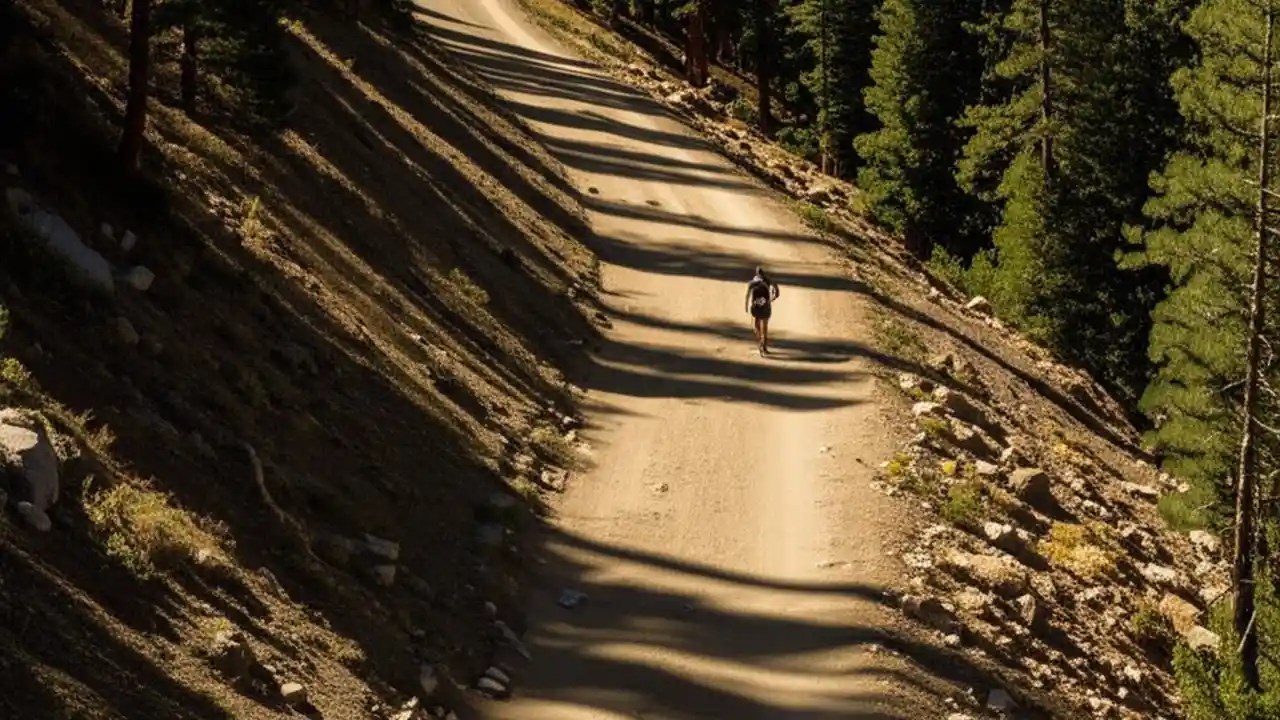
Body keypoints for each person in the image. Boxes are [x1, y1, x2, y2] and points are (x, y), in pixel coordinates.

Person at [744, 266, 780, 355]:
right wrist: (773, 297)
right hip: (766, 306)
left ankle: (760, 341)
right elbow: (776, 290)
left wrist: (746, 306)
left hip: (756, 306)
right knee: (765, 326)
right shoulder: (768, 280)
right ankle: (764, 345)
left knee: (756, 325)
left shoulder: (752, 283)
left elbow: (747, 295)